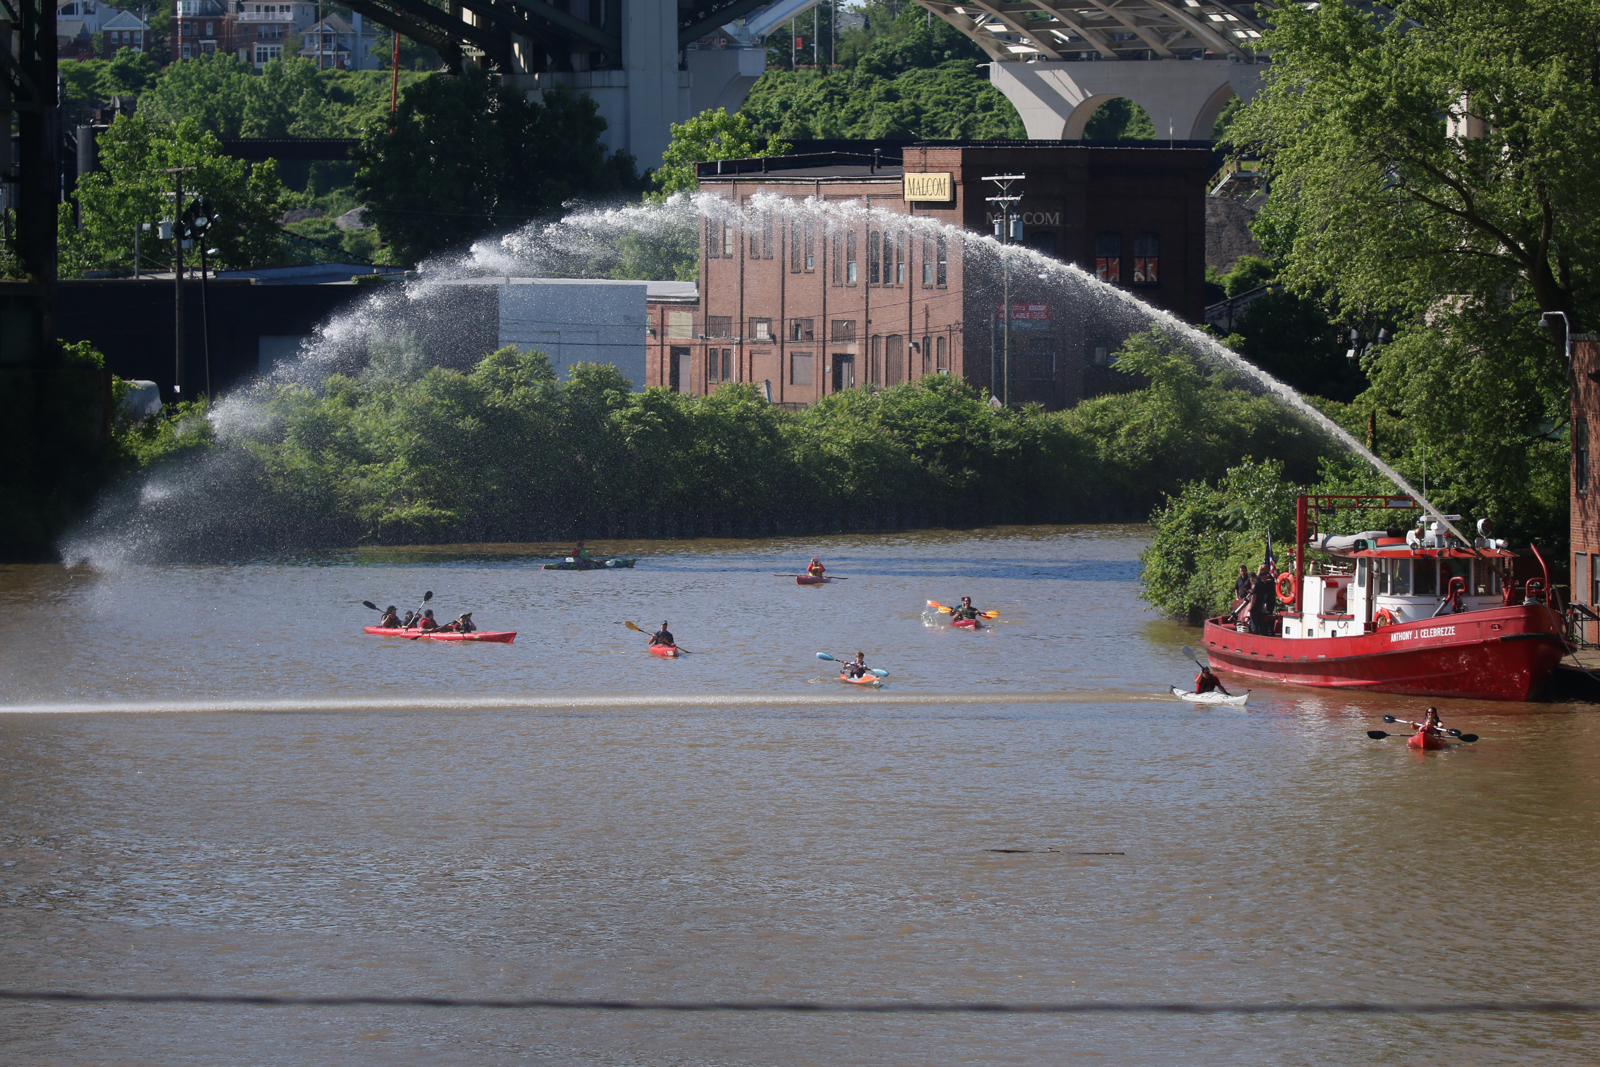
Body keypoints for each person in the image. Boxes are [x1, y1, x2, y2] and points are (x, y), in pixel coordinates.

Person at [1248, 564, 1277, 636]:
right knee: (1260, 622)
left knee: (1256, 623)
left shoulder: (1259, 583)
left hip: (1258, 605)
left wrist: (1251, 606)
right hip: (1261, 604)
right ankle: (1263, 634)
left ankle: (1259, 635)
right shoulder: (1262, 583)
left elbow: (1254, 595)